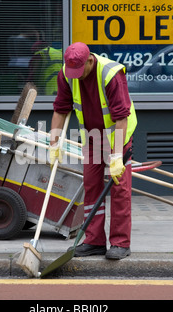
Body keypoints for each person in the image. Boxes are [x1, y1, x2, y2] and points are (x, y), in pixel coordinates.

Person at [49, 42, 137, 260]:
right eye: (72, 72)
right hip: (92, 137)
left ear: (90, 60)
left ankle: (120, 243)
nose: (76, 77)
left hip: (117, 136)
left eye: (80, 71)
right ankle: (94, 241)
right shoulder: (67, 74)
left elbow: (120, 118)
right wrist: (54, 144)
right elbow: (61, 109)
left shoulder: (110, 74)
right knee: (91, 186)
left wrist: (117, 156)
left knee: (119, 190)